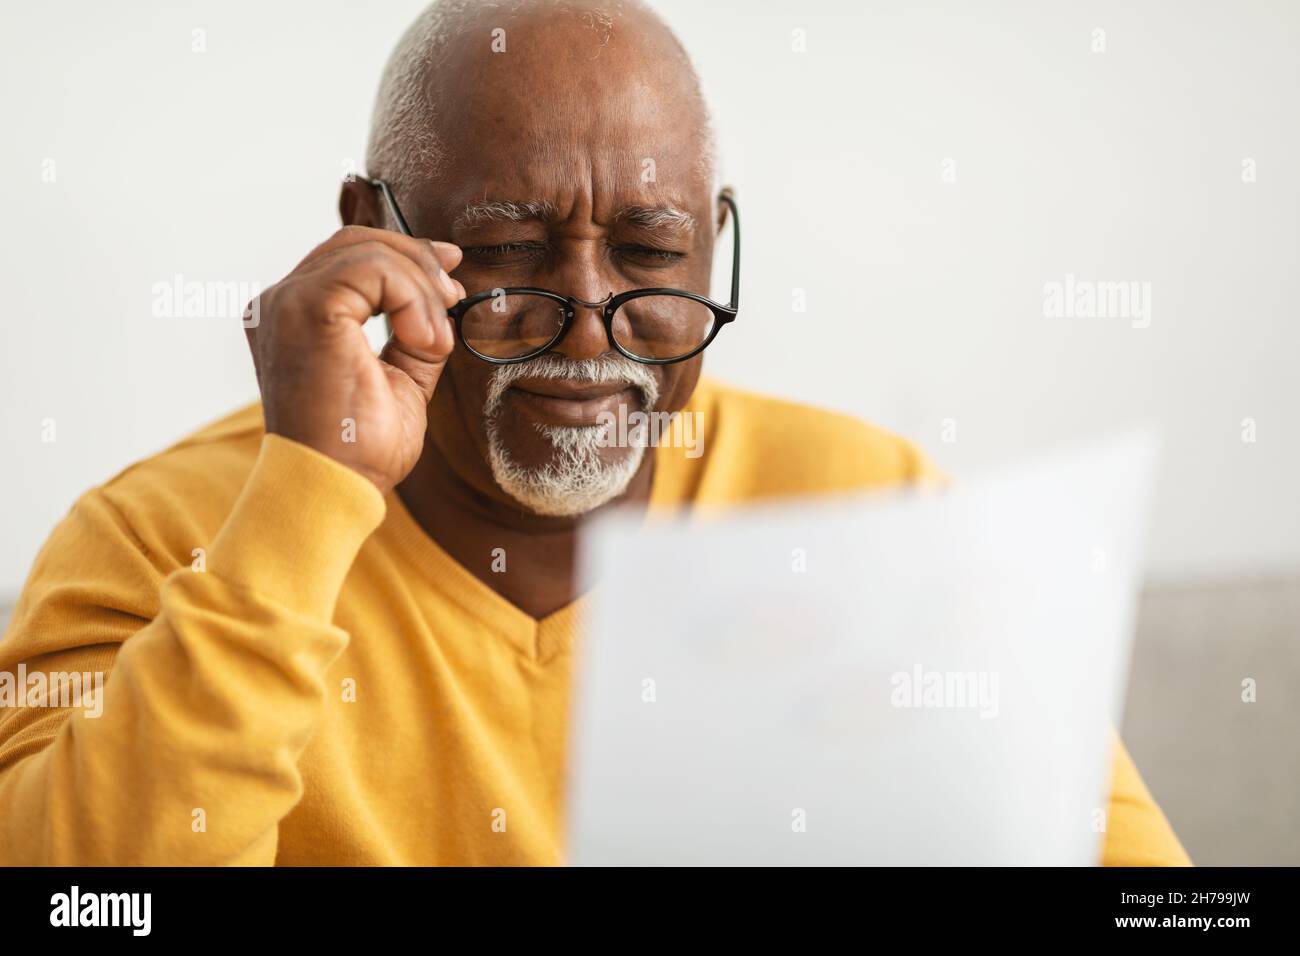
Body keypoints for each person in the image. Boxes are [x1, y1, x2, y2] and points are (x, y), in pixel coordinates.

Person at [0, 0, 1189, 865]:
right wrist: (309, 493)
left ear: (714, 242)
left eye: (650, 250)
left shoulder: (868, 506)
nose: (586, 325)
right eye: (510, 250)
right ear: (371, 231)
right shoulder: (157, 541)